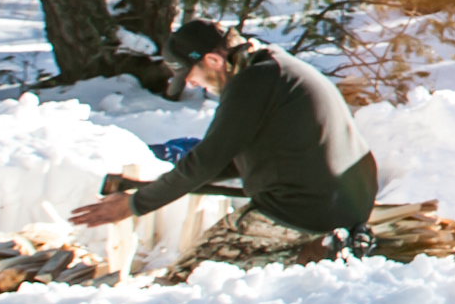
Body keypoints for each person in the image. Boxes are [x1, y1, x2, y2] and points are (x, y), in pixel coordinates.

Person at [71, 18, 379, 244]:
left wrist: (133, 205)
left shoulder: (252, 83)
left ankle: (311, 250)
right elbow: (224, 162)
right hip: (339, 204)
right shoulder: (272, 68)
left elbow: (206, 160)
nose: (191, 84)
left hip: (307, 212)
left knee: (191, 278)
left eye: (190, 75)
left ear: (213, 59)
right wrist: (153, 186)